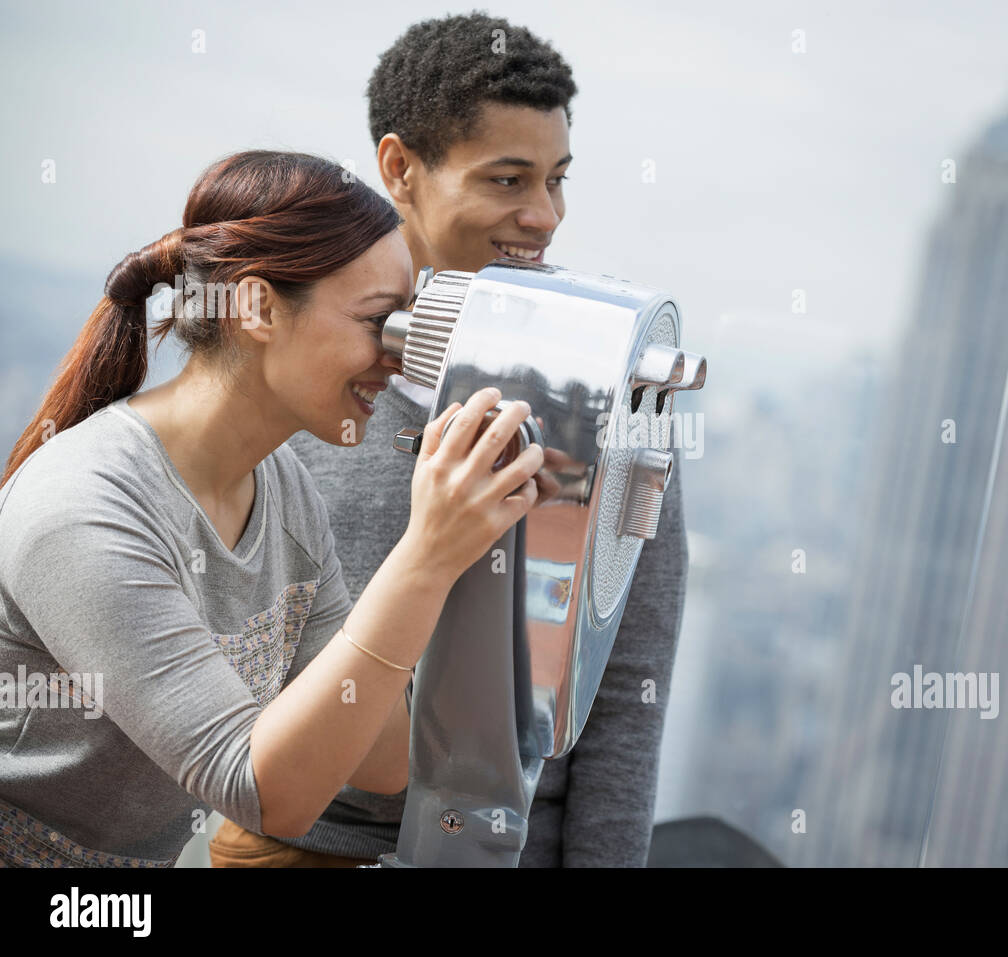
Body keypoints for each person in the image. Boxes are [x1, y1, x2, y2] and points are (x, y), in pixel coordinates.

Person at [207, 13, 690, 868]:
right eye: (508, 180)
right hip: (298, 843)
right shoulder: (301, 389)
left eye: (557, 180)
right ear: (400, 168)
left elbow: (623, 702)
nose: (543, 216)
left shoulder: (615, 390)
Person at [0, 150, 542, 867]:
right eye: (380, 321)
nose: (399, 359)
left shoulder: (280, 487)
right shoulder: (85, 507)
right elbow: (263, 791)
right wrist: (425, 555)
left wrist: (469, 552)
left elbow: (380, 761)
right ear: (256, 307)